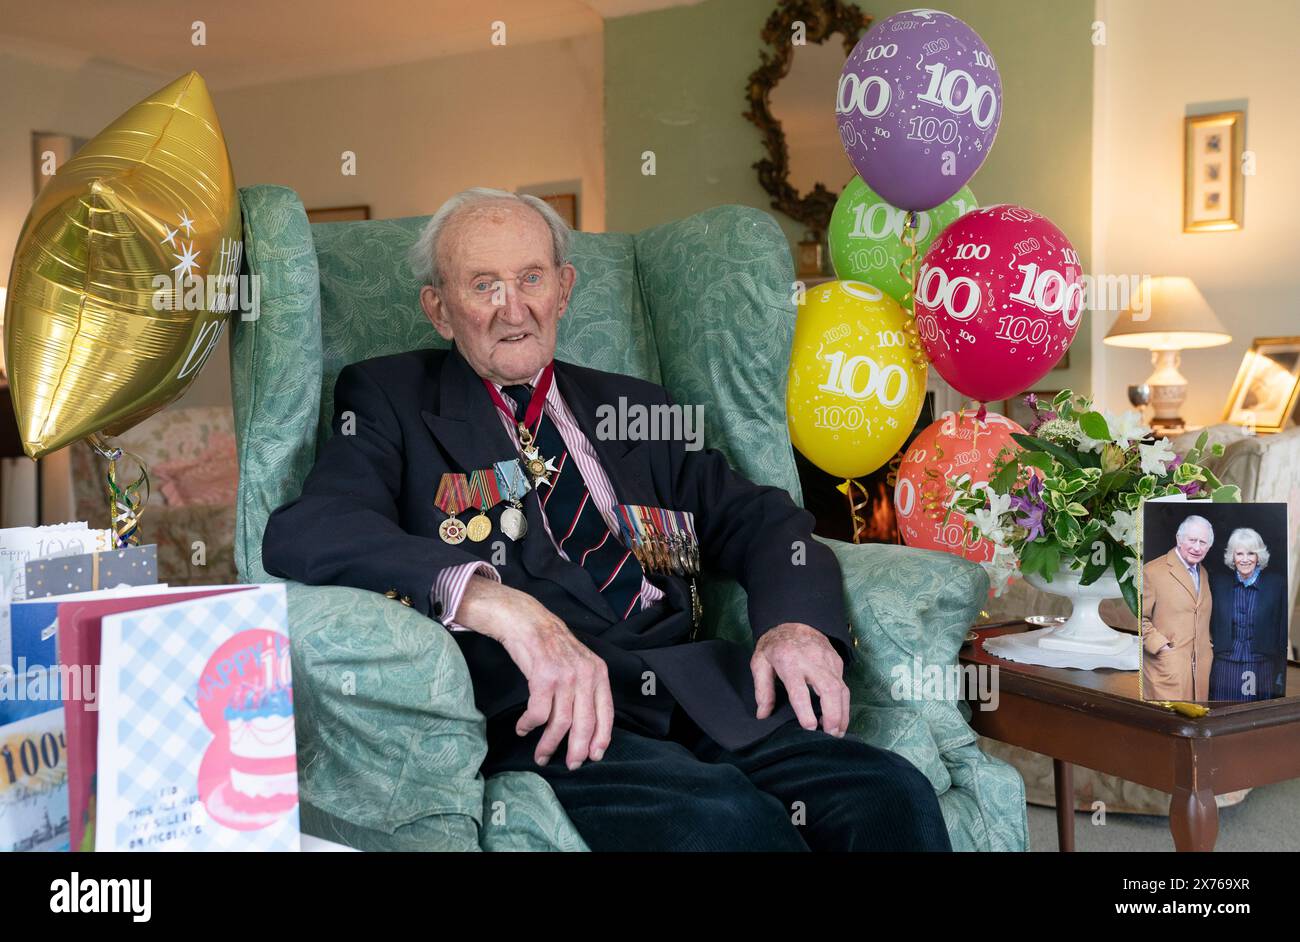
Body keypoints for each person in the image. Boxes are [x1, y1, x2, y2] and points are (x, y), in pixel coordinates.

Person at [261, 187, 950, 851]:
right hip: (557, 713)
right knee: (725, 825)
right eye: (482, 286)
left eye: (530, 278)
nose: (513, 309)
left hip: (698, 690)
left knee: (890, 796)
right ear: (439, 311)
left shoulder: (638, 408)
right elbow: (314, 527)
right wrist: (491, 601)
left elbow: (761, 520)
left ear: (563, 289)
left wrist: (795, 625)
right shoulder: (391, 399)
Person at [1208, 527, 1288, 701]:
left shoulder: (1277, 584)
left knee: (1250, 715)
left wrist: (1281, 671)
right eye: (1239, 554)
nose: (1245, 559)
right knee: (1222, 713)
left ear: (1259, 556)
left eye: (1251, 553)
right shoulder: (1217, 583)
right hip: (1225, 665)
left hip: (1259, 666)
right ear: (1232, 557)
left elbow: (1282, 631)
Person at [1141, 515, 1215, 701]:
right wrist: (1161, 647)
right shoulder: (1152, 571)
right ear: (1179, 539)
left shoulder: (1203, 572)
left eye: (1203, 542)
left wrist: (1208, 645)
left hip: (1199, 674)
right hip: (1165, 670)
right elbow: (1137, 617)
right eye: (1192, 540)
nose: (1197, 547)